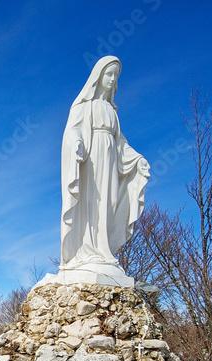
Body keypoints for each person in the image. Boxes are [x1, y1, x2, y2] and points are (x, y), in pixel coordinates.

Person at [60, 56, 149, 273]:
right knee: (92, 200)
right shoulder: (84, 105)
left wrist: (137, 159)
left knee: (110, 201)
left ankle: (103, 250)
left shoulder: (112, 111)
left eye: (116, 76)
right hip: (91, 159)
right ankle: (87, 250)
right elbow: (73, 130)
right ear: (98, 76)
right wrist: (77, 143)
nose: (112, 79)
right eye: (109, 74)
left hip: (110, 162)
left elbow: (120, 143)